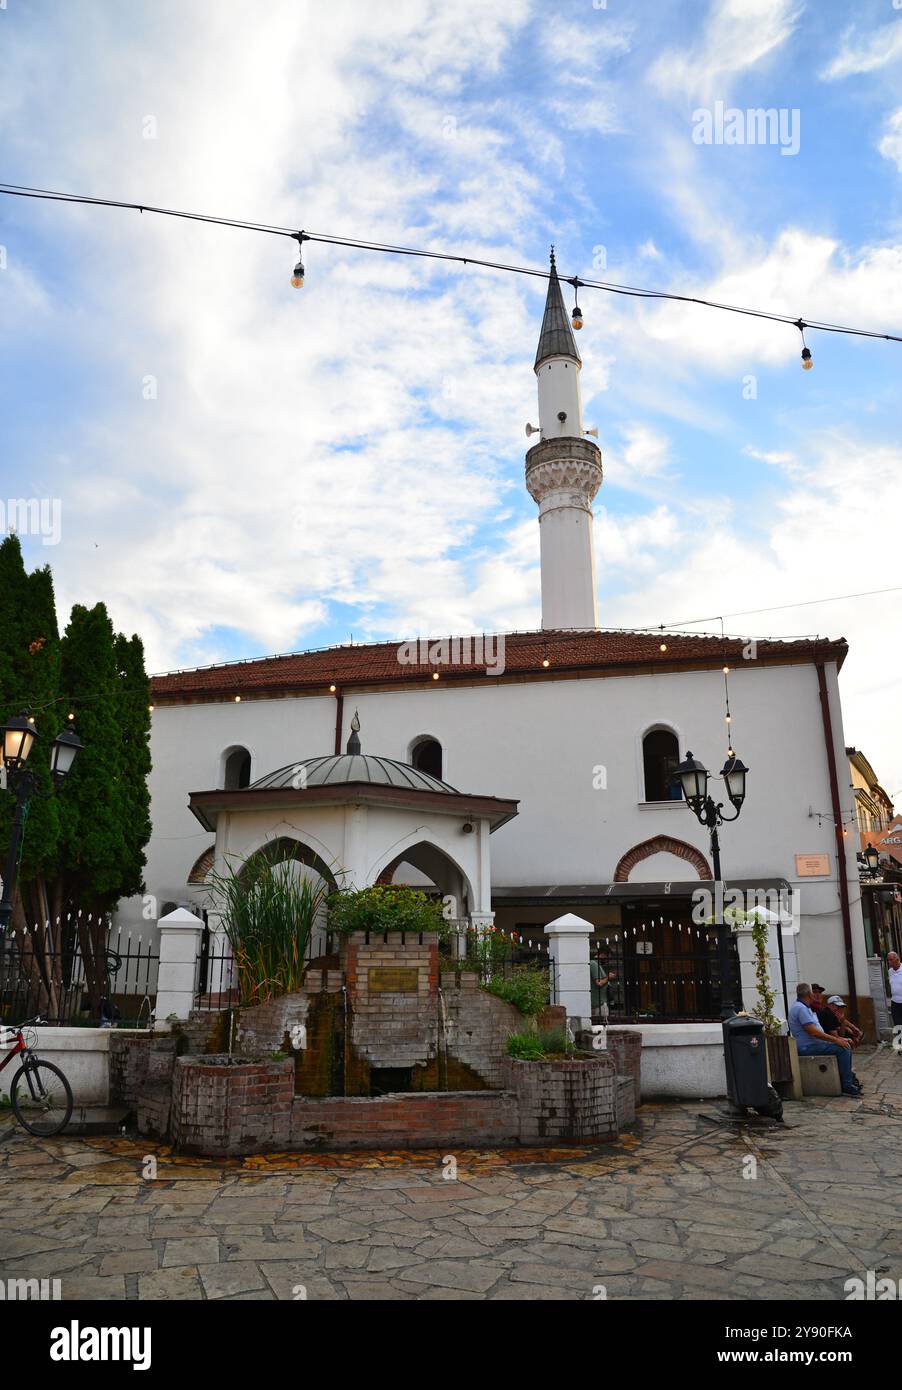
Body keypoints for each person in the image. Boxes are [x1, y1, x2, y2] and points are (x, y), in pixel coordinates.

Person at [788, 982, 861, 1097]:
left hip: (814, 1044)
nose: (815, 995)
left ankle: (849, 1080)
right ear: (809, 994)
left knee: (845, 1044)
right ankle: (846, 1085)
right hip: (807, 1047)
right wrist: (836, 1040)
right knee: (843, 1049)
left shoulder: (806, 1008)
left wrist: (841, 1039)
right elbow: (813, 1031)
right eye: (813, 992)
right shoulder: (800, 1008)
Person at [590, 953, 616, 1023]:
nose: (608, 961)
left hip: (600, 1003)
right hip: (599, 1004)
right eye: (607, 958)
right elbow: (599, 983)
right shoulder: (593, 964)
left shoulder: (597, 965)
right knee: (602, 1028)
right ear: (602, 955)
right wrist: (608, 977)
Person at [887, 952, 902, 1031]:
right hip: (895, 1003)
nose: (889, 962)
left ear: (897, 959)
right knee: (898, 1025)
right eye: (888, 960)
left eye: (891, 960)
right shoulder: (890, 971)